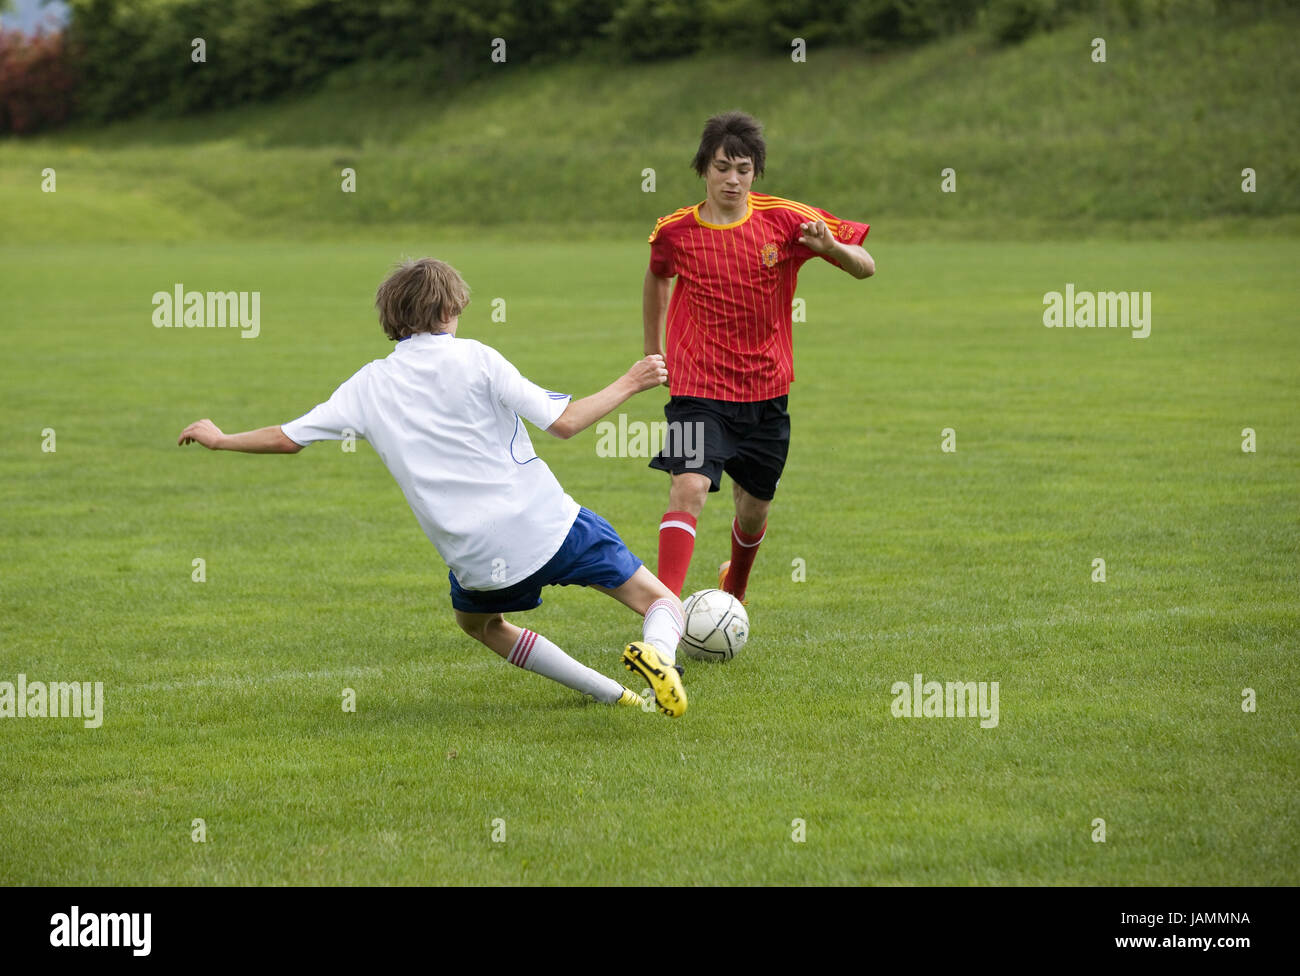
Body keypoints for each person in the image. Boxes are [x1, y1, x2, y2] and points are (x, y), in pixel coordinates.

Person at [178, 258, 688, 717]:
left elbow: (288, 439)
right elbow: (566, 423)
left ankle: (612, 695)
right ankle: (659, 657)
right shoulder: (478, 358)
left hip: (474, 557)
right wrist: (633, 379)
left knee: (481, 626)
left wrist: (221, 440)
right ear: (449, 308)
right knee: (662, 603)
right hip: (548, 525)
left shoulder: (368, 384)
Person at [644, 110, 875, 603]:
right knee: (687, 486)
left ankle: (736, 587)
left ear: (756, 172)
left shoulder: (786, 219)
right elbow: (658, 275)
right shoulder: (674, 231)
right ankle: (662, 613)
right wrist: (653, 350)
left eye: (743, 169)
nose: (733, 179)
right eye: (723, 167)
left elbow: (866, 268)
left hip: (765, 390)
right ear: (704, 167)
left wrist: (831, 247)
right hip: (696, 388)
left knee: (753, 510)